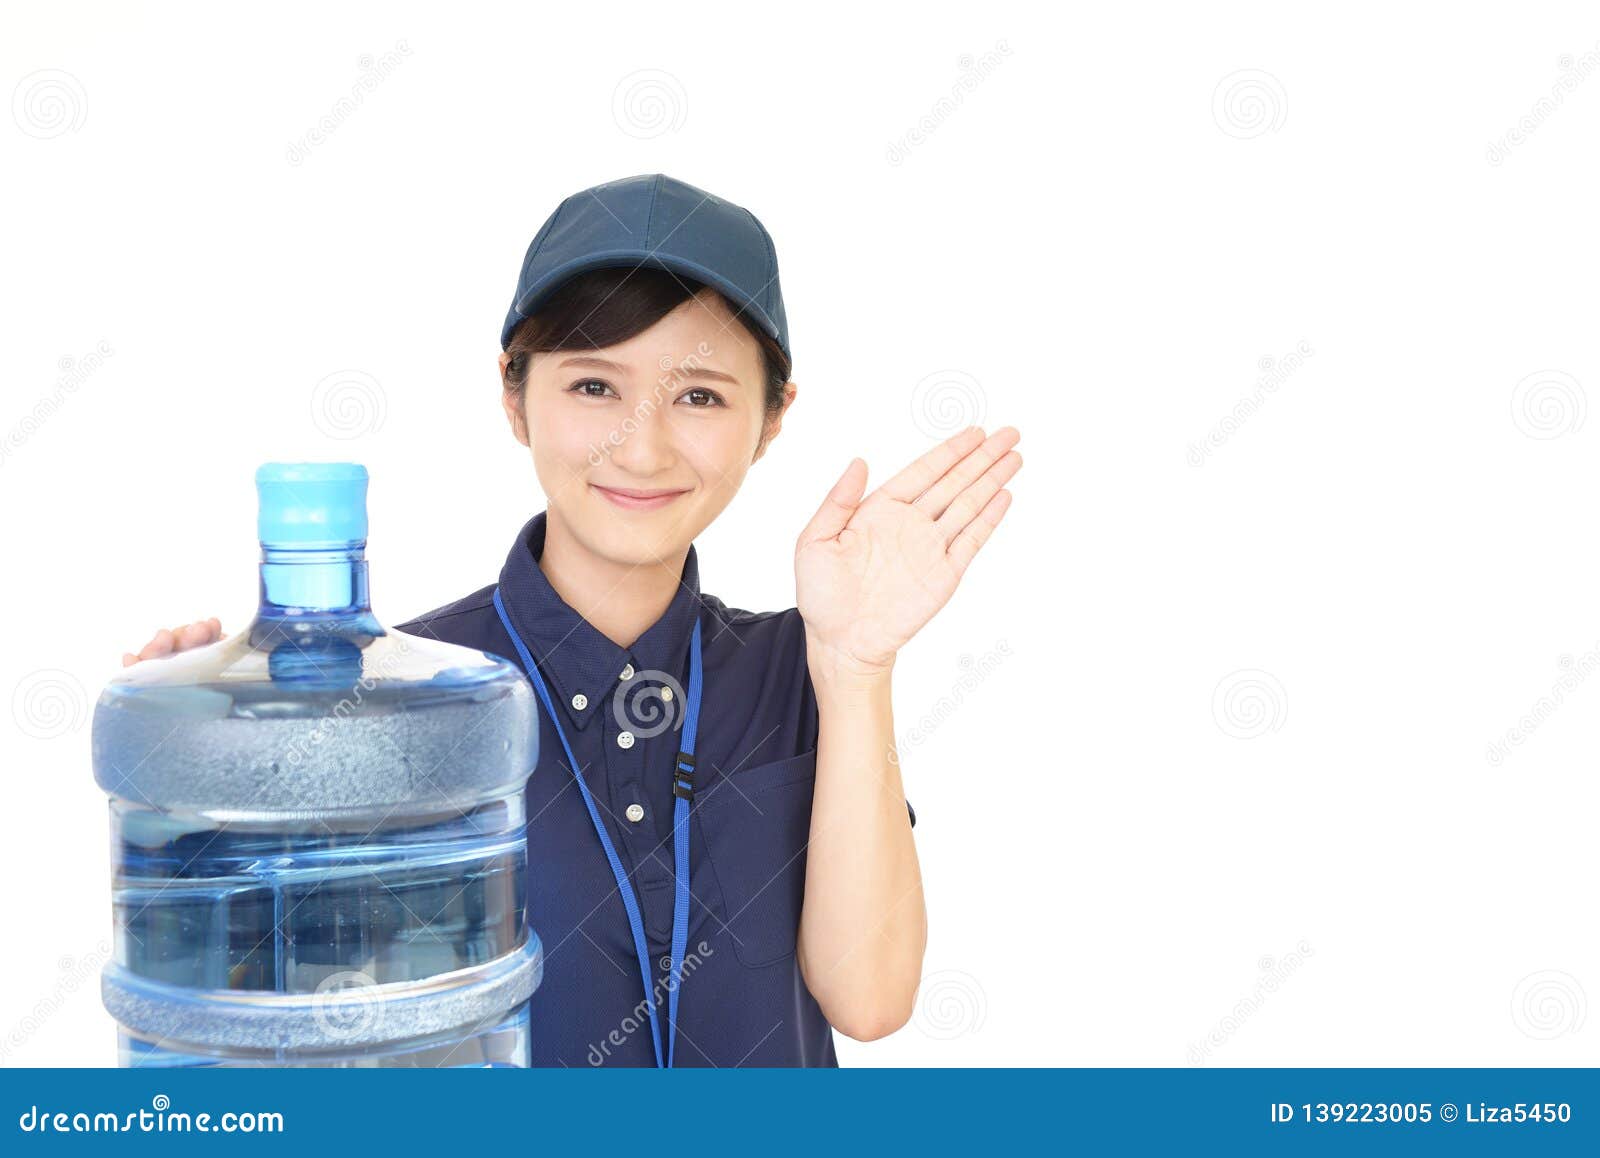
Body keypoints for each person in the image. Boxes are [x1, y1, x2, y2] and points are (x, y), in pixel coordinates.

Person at [123, 173, 1022, 1066]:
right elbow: (283, 1022)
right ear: (514, 397)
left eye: (700, 396)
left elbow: (868, 1001)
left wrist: (858, 669)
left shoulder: (807, 663)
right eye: (593, 386)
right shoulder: (399, 703)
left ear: (773, 419)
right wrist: (199, 810)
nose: (642, 445)